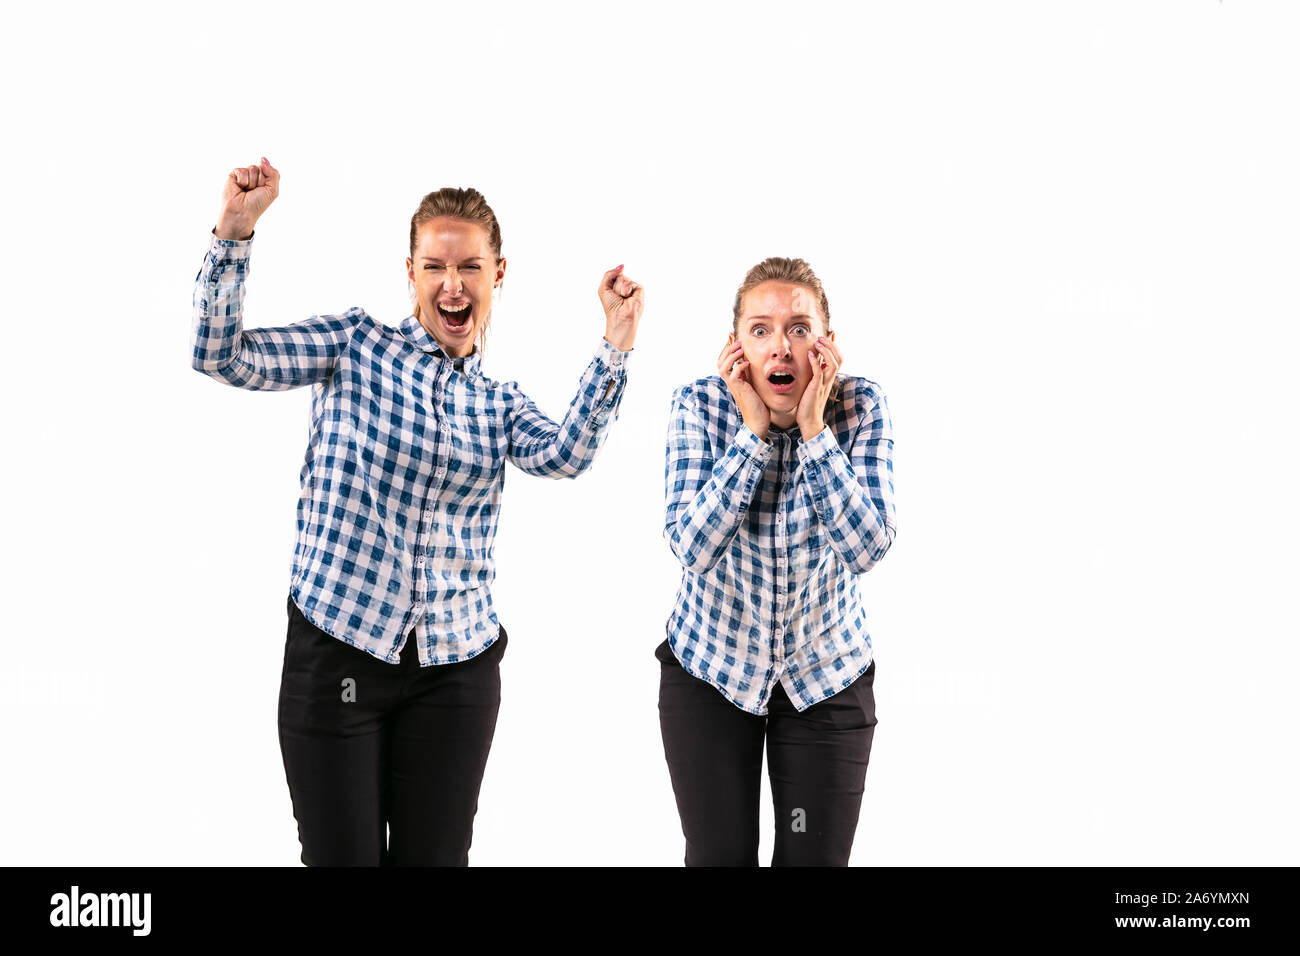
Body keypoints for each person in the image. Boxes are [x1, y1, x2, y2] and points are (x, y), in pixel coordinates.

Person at [190, 158, 644, 865]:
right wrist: (235, 234)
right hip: (339, 649)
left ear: (499, 276)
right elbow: (221, 355)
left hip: (455, 670)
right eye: (434, 266)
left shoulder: (499, 403)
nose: (452, 284)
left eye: (469, 267)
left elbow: (566, 454)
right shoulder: (354, 345)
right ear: (411, 273)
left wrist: (616, 340)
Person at [657, 256, 895, 866]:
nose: (781, 348)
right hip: (712, 674)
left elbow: (869, 547)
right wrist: (753, 434)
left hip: (825, 679)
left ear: (827, 345)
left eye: (798, 328)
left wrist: (815, 432)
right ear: (735, 347)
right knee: (720, 855)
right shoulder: (699, 407)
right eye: (760, 330)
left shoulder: (860, 408)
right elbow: (691, 546)